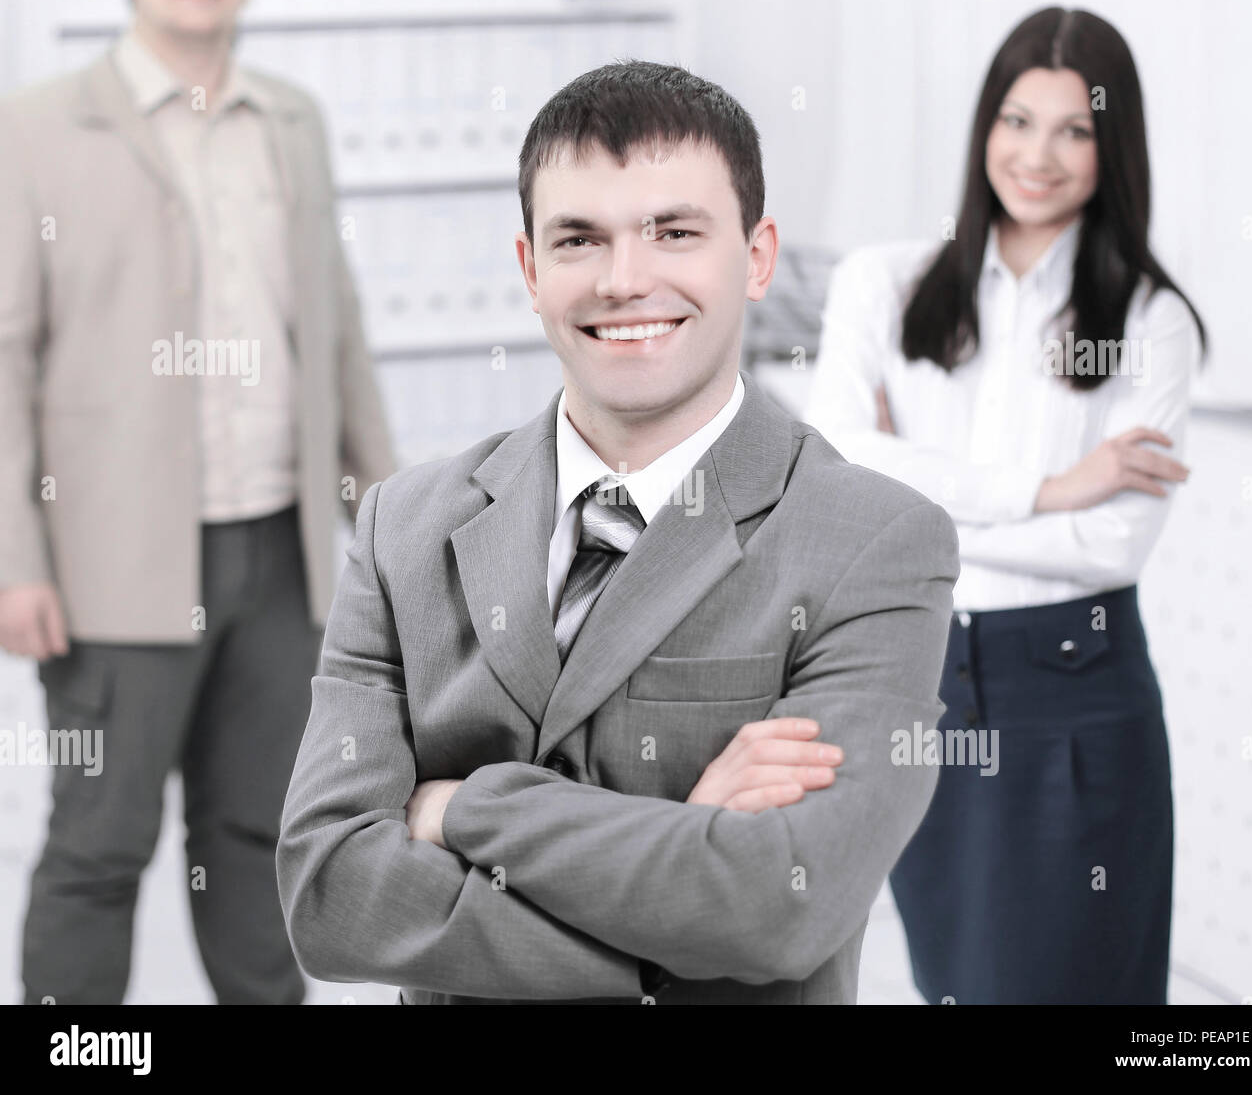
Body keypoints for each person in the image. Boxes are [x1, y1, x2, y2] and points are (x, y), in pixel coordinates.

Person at [275, 60, 959, 1005]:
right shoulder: (405, 527)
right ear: (530, 269)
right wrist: (683, 864)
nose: (624, 280)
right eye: (579, 239)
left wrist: (464, 806)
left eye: (673, 232)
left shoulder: (874, 543)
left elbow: (781, 907)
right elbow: (328, 894)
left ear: (756, 257)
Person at [0, 0, 396, 1003]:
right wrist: (14, 560)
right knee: (98, 844)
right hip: (114, 565)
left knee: (265, 835)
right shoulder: (36, 128)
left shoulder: (291, 120)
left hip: (281, 551)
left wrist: (393, 527)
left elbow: (338, 334)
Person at [804, 6, 1206, 1004]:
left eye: (1075, 129)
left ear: (1113, 148)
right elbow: (838, 467)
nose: (1038, 155)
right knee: (957, 983)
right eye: (1017, 120)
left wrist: (917, 491)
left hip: (1072, 685)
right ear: (984, 124)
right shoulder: (883, 285)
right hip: (915, 687)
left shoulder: (1150, 323)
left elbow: (1111, 544)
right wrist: (1047, 490)